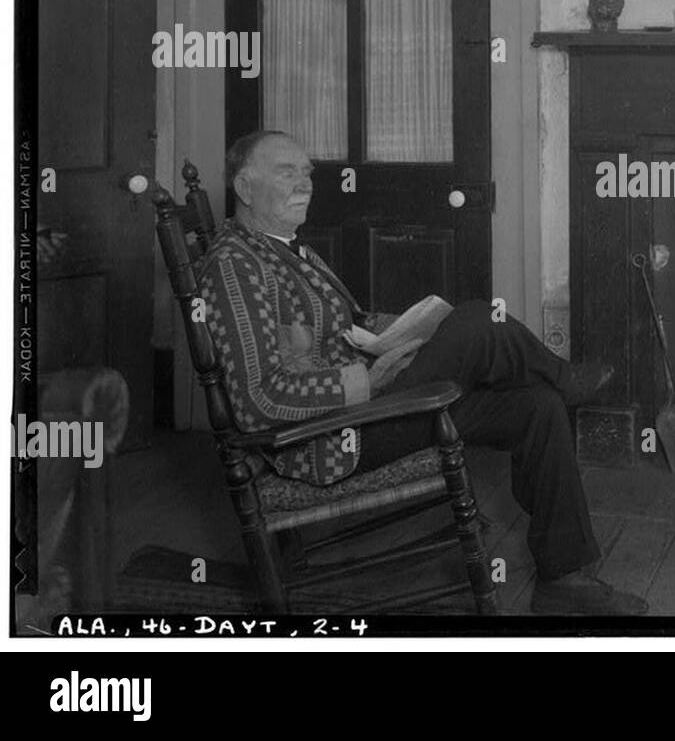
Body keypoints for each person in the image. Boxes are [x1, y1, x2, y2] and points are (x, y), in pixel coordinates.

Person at [197, 129, 647, 615]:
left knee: (537, 407)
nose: (305, 182)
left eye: (307, 172)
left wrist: (403, 335)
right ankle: (563, 376)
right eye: (288, 173)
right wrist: (369, 381)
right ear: (245, 188)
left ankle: (564, 578)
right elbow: (257, 402)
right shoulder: (234, 268)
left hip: (371, 406)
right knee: (477, 322)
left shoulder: (285, 249)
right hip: (331, 439)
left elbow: (349, 324)